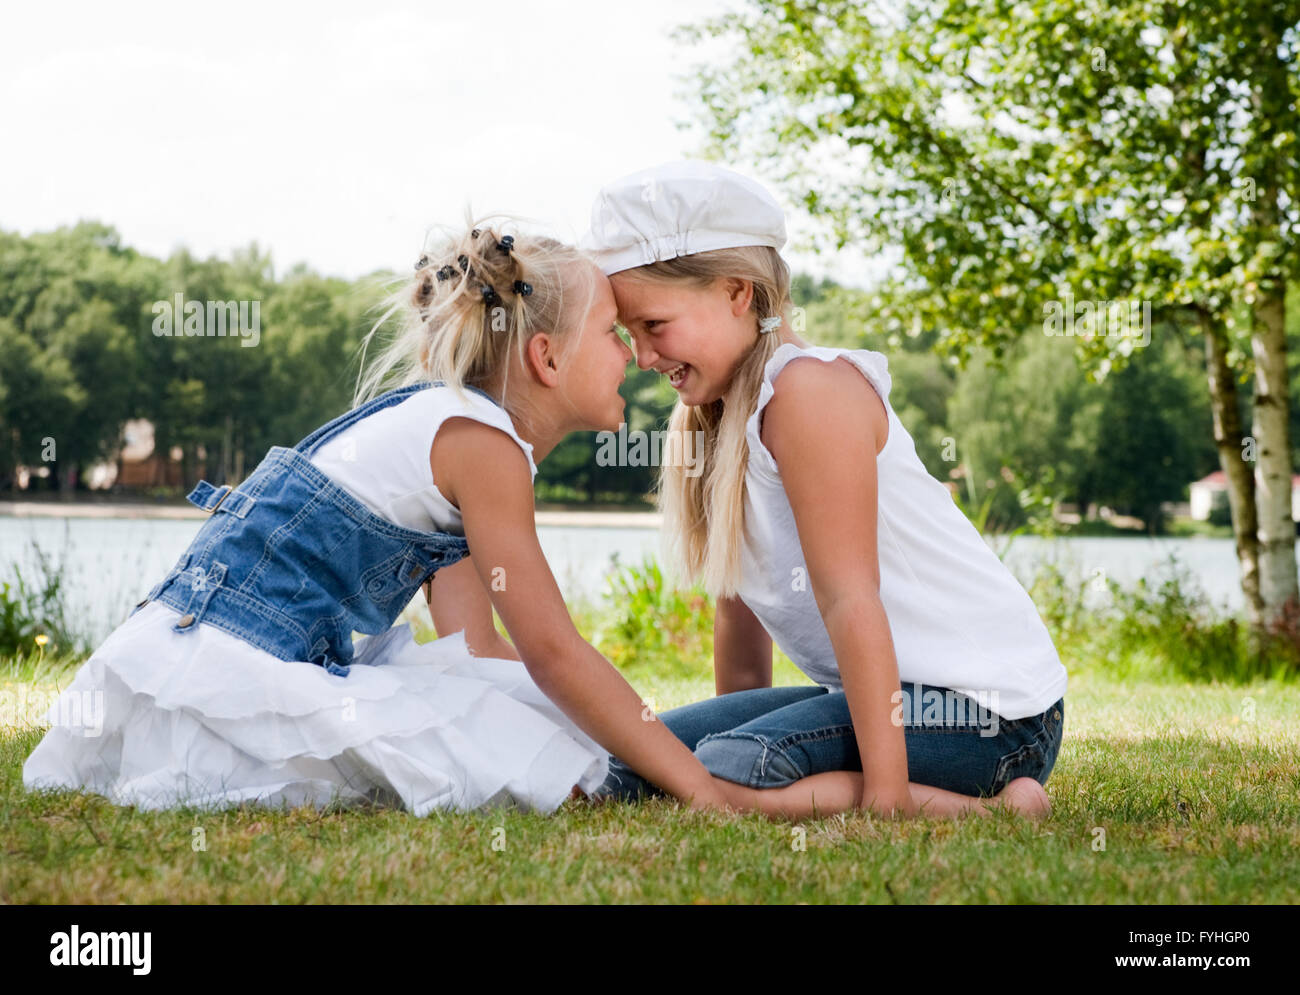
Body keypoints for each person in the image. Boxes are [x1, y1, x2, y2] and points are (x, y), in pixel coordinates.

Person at [21, 217, 764, 817]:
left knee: (525, 722)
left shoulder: (462, 427)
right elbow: (553, 651)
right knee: (548, 770)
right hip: (229, 683)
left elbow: (476, 647)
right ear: (546, 356)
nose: (635, 357)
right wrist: (694, 787)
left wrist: (600, 715)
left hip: (212, 658)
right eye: (612, 333)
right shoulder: (481, 445)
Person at [581, 162, 1066, 820]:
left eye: (654, 326)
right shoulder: (717, 419)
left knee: (733, 766)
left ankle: (985, 808)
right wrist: (729, 726)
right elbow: (740, 610)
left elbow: (849, 596)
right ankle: (758, 774)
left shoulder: (807, 393)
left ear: (736, 293)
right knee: (635, 757)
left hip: (989, 714)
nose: (642, 357)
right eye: (629, 334)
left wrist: (885, 798)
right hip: (894, 699)